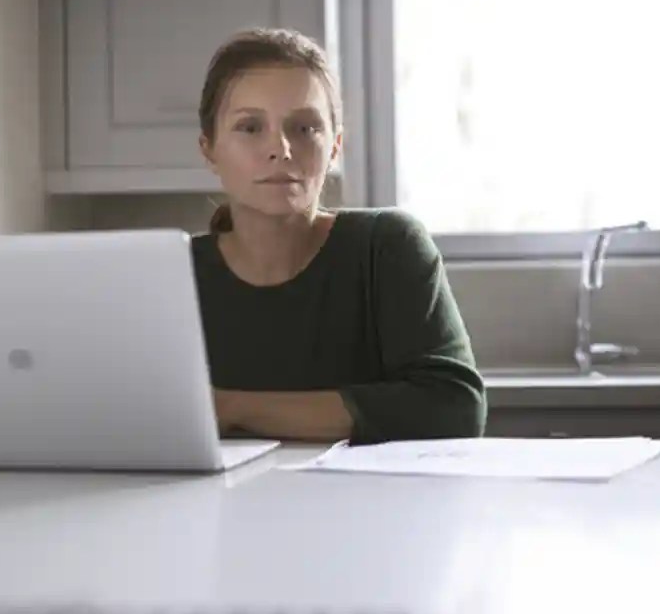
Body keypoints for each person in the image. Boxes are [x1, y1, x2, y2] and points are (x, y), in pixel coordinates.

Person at [193, 27, 485, 444]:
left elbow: (454, 407)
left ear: (335, 146)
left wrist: (231, 407)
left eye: (305, 127)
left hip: (371, 507)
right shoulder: (174, 275)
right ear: (209, 149)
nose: (281, 148)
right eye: (250, 127)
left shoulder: (386, 246)